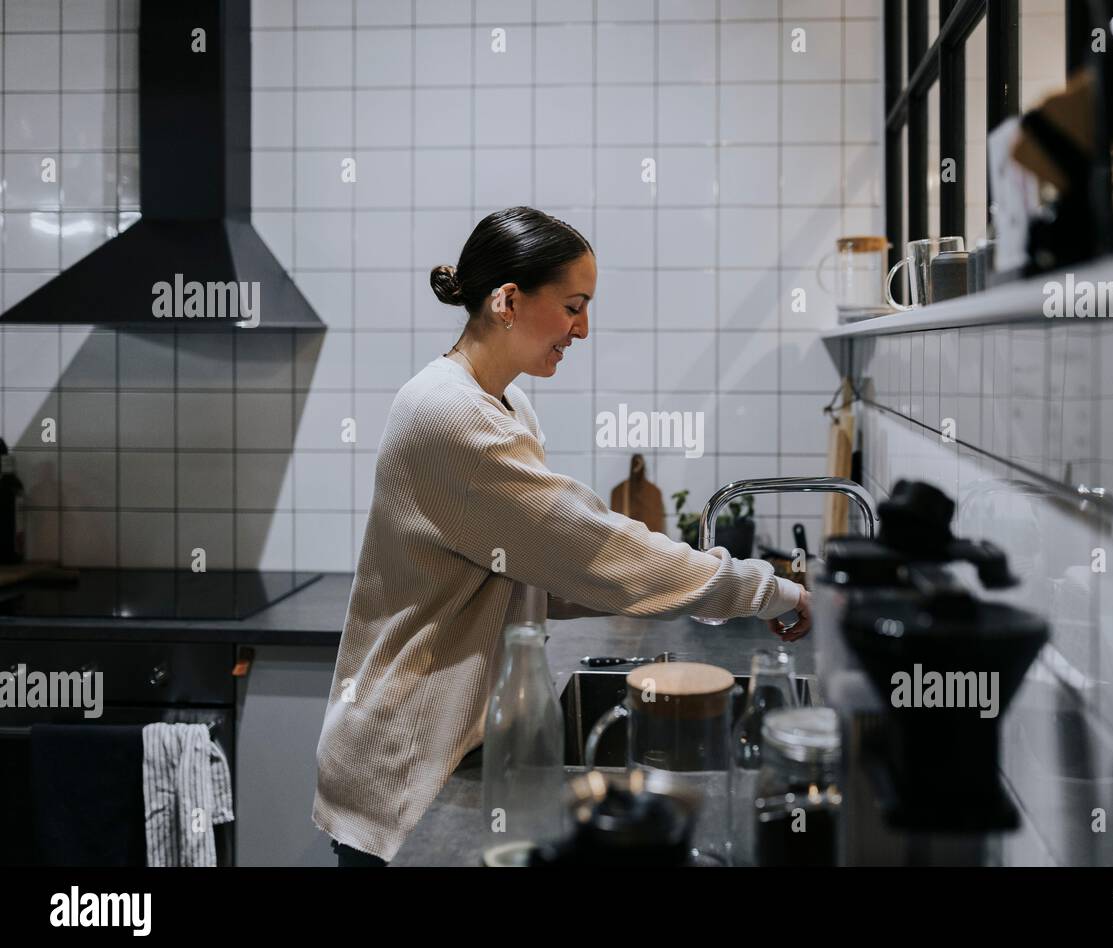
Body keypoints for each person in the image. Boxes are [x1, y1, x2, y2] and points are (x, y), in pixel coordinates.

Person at [313, 206, 811, 866]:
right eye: (574, 305)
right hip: (407, 756)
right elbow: (594, 550)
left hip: (452, 742)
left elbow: (547, 571)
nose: (583, 328)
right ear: (508, 300)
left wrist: (679, 591)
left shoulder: (507, 404)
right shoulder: (449, 416)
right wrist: (763, 590)